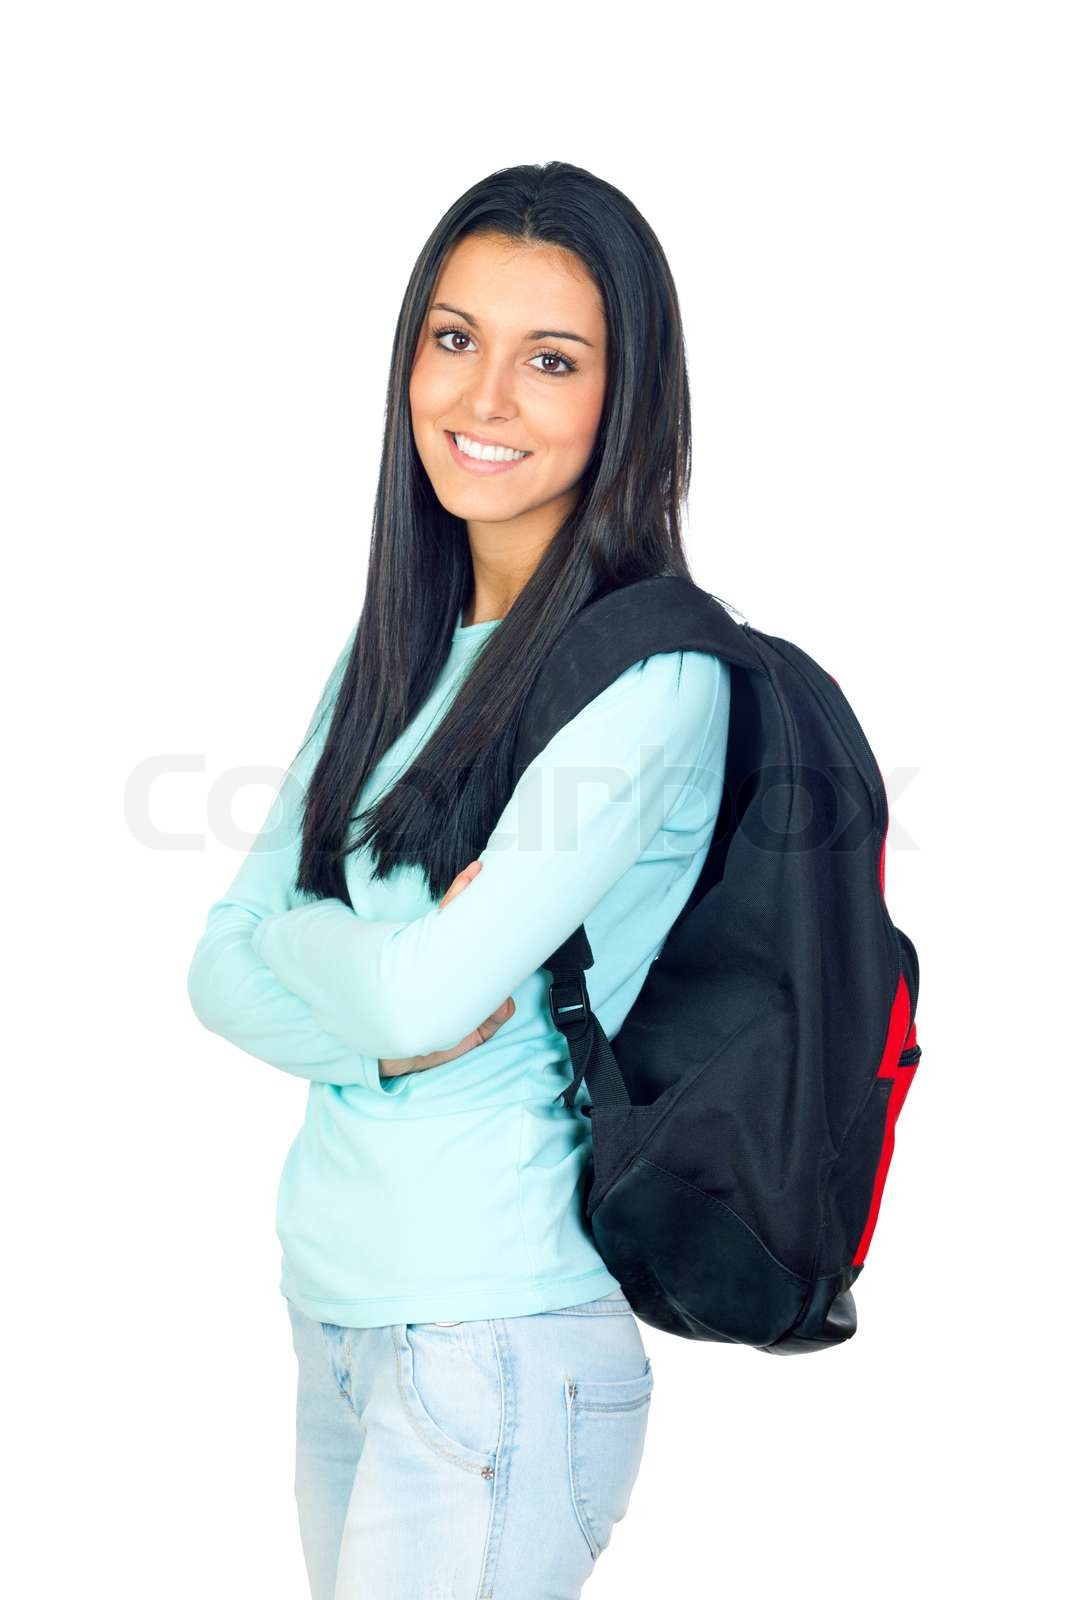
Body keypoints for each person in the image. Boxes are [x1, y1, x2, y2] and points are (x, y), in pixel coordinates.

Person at [187, 160, 732, 1598]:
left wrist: (357, 974)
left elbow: (409, 975)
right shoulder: (399, 650)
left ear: (627, 401)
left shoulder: (648, 673)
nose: (482, 399)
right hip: (341, 1320)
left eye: (549, 360)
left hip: (498, 1335)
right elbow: (216, 965)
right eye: (452, 338)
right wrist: (385, 1017)